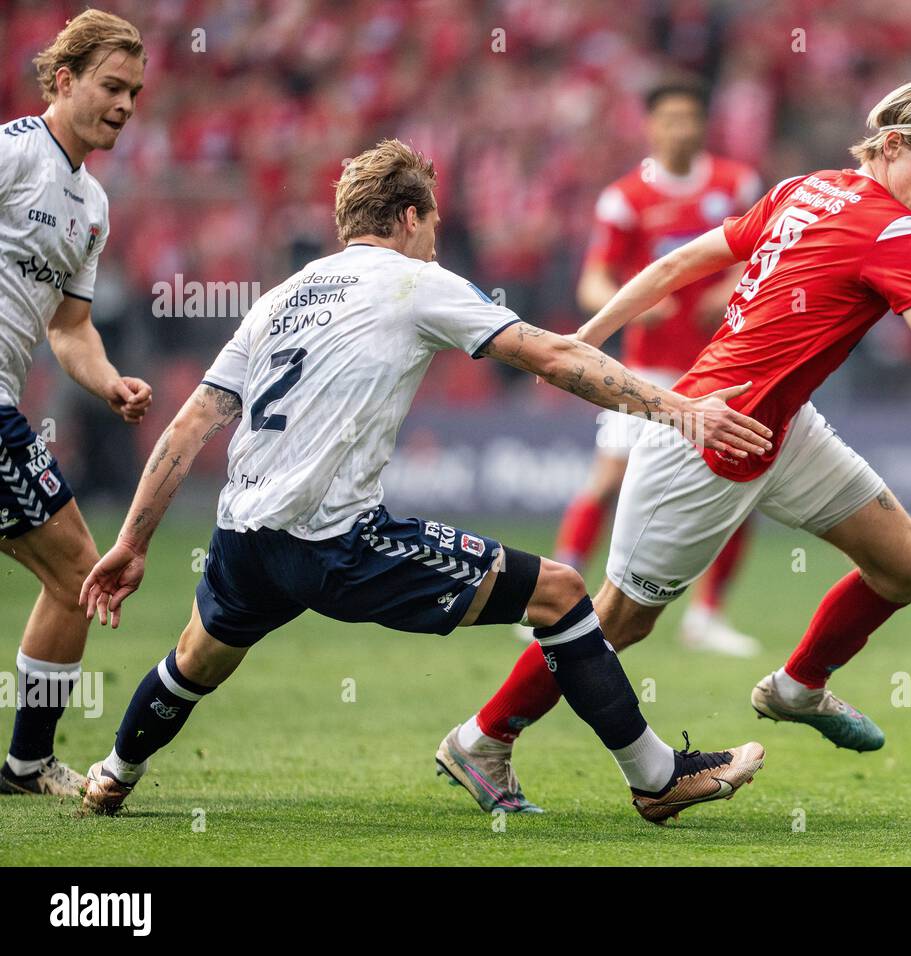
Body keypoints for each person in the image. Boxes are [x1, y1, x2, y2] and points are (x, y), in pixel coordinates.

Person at [460, 80, 911, 798]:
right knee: (619, 620)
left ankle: (799, 687)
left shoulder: (804, 189)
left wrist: (587, 336)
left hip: (780, 425)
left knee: (904, 566)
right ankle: (482, 737)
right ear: (893, 145)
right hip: (705, 435)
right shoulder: (895, 233)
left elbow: (677, 264)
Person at [77, 139, 770, 824]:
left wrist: (133, 543)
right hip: (336, 544)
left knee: (194, 660)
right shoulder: (416, 283)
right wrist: (679, 409)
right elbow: (554, 358)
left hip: (243, 536)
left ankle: (113, 773)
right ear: (408, 217)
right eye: (433, 220)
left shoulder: (278, 300)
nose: (437, 237)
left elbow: (189, 427)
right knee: (559, 594)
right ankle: (655, 778)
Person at [548, 75, 764, 658]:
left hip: (723, 365)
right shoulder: (625, 198)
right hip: (647, 375)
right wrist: (632, 305)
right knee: (609, 479)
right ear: (650, 126)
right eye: (669, 119)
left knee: (740, 485)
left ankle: (707, 617)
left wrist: (733, 285)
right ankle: (556, 600)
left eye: (691, 118)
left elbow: (768, 255)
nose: (681, 130)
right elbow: (593, 279)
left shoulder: (737, 183)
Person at [0, 10, 152, 797]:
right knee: (79, 574)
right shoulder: (13, 152)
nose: (125, 105)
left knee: (76, 578)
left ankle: (25, 765)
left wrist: (108, 381)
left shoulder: (91, 205)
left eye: (134, 92)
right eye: (111, 86)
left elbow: (70, 329)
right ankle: (25, 764)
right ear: (64, 81)